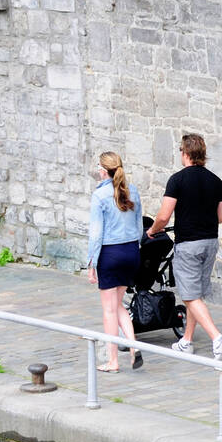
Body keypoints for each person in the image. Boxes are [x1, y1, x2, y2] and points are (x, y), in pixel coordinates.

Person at [147, 133, 222, 359]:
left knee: (189, 295)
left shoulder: (177, 180)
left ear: (185, 153)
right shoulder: (216, 181)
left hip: (189, 244)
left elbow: (164, 216)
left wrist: (153, 230)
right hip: (210, 242)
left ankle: (216, 337)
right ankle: (187, 341)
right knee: (197, 294)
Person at [87, 151, 143, 372]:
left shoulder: (100, 196)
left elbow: (96, 234)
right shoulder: (133, 191)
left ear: (103, 170)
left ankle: (112, 360)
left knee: (109, 310)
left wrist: (92, 264)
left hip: (110, 253)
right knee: (118, 305)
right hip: (131, 251)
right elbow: (139, 227)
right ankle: (133, 347)